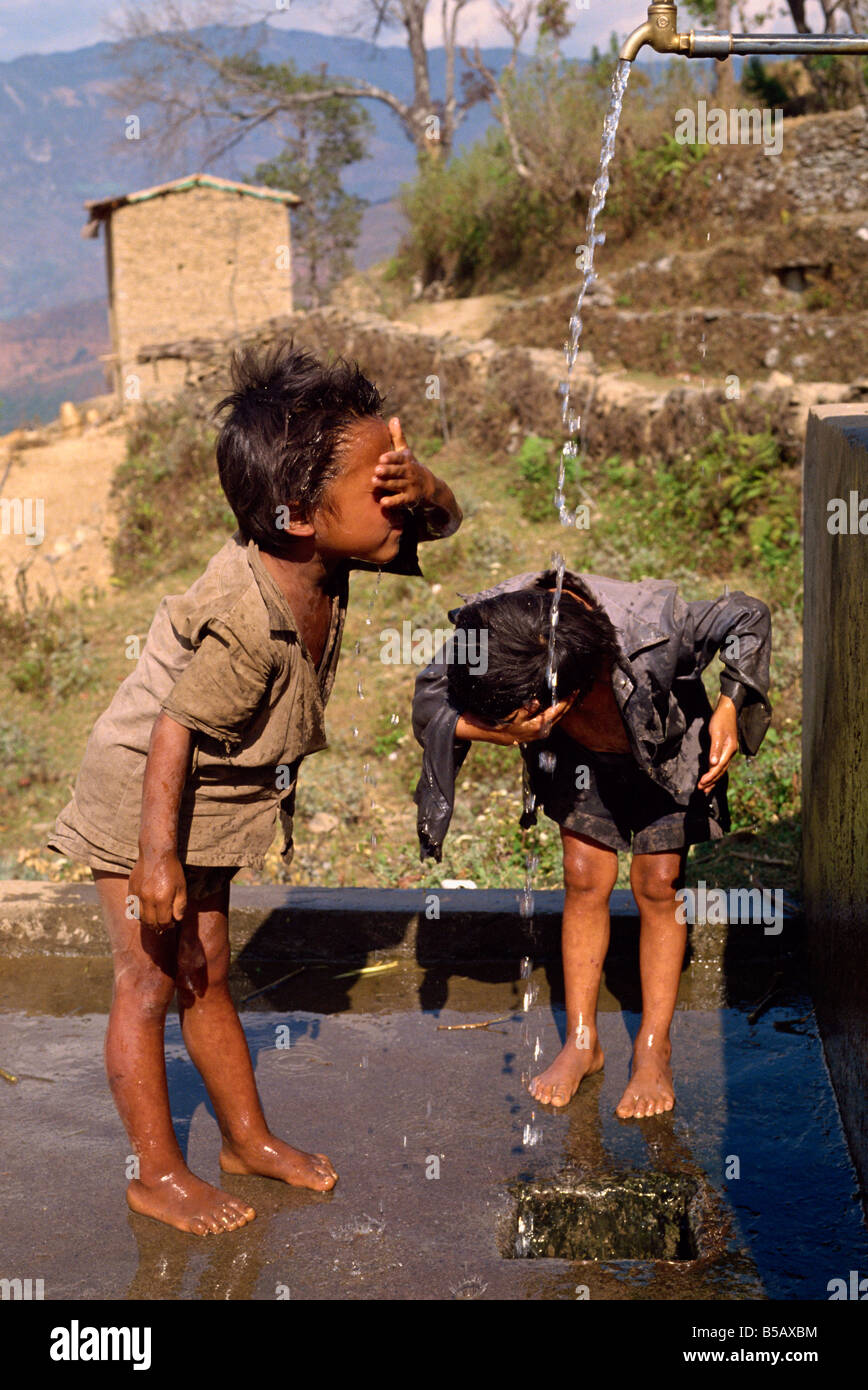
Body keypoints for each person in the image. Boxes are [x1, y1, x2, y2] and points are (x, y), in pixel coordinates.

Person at [47, 342, 462, 1234]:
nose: (398, 506)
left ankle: (245, 1142)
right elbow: (174, 730)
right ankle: (155, 1174)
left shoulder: (326, 550)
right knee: (148, 982)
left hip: (217, 795)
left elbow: (443, 524)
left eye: (397, 483)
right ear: (305, 515)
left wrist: (420, 484)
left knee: (209, 973)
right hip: (144, 797)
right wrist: (156, 860)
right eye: (379, 489)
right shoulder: (245, 616)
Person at [412, 566, 771, 1120]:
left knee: (657, 884)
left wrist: (729, 704)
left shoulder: (657, 620)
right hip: (578, 759)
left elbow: (747, 614)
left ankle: (654, 1048)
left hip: (666, 751)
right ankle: (583, 1042)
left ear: (571, 686)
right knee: (583, 878)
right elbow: (431, 702)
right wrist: (506, 733)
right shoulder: (491, 627)